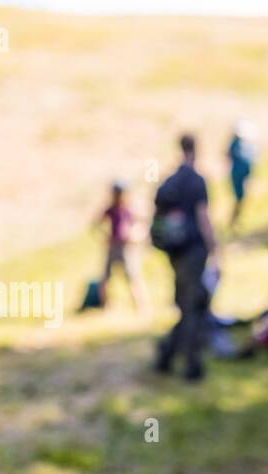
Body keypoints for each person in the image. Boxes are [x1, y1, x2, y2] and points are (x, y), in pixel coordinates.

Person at [153, 133, 217, 381]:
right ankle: (189, 363)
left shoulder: (171, 181)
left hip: (175, 253)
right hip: (192, 252)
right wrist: (214, 248)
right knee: (193, 306)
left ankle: (167, 355)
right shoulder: (195, 182)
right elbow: (203, 218)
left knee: (188, 304)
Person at [90, 179, 149, 316]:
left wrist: (136, 236)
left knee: (133, 277)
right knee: (105, 278)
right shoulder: (110, 209)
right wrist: (104, 237)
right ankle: (105, 306)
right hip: (113, 247)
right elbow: (96, 224)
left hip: (126, 248)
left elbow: (142, 225)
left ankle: (141, 307)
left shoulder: (129, 209)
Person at [227, 121, 257, 231]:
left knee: (242, 198)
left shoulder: (247, 145)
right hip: (237, 175)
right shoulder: (235, 144)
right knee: (239, 198)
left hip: (243, 175)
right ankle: (233, 221)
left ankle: (236, 220)